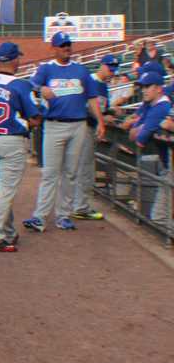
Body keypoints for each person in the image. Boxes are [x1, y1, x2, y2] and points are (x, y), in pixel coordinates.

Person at [22, 32, 106, 234]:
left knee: (70, 173)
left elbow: (93, 97)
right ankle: (40, 217)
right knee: (50, 173)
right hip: (53, 125)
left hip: (78, 125)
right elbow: (31, 85)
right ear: (54, 48)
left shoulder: (81, 70)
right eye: (62, 45)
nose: (66, 48)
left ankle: (63, 216)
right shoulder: (46, 69)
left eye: (68, 44)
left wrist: (101, 122)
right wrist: (41, 88)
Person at [0, 43, 42, 252]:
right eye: (18, 58)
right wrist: (27, 122)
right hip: (11, 142)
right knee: (5, 191)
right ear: (14, 60)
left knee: (2, 189)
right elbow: (36, 118)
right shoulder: (21, 85)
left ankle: (9, 232)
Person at [69, 55, 121, 221]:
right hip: (83, 128)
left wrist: (110, 112)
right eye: (109, 68)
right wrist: (102, 118)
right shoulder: (90, 81)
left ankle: (78, 205)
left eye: (113, 70)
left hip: (90, 128)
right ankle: (80, 207)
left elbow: (101, 108)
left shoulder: (103, 86)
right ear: (101, 65)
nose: (111, 72)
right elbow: (83, 108)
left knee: (84, 168)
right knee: (84, 169)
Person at [132, 72, 174, 234]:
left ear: (158, 88)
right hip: (167, 163)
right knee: (160, 217)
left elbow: (140, 139)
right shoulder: (153, 106)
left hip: (170, 162)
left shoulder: (162, 106)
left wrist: (168, 126)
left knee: (159, 217)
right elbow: (133, 134)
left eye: (147, 87)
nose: (143, 90)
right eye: (142, 87)